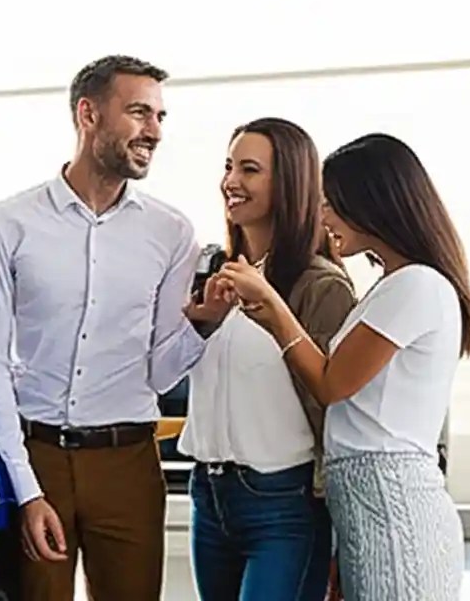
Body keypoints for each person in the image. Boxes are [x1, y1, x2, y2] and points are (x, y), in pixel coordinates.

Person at [0, 55, 217, 601]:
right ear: (88, 114)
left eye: (159, 116)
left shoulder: (172, 233)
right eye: (137, 112)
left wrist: (204, 326)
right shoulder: (8, 225)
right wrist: (26, 491)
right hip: (38, 457)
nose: (153, 131)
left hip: (129, 463)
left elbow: (159, 369)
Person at [215, 132, 470, 601]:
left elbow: (332, 385)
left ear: (374, 203)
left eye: (333, 203)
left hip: (394, 512)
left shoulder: (416, 284)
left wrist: (275, 311)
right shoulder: (394, 284)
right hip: (368, 504)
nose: (323, 217)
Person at [179, 118, 357, 601]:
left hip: (283, 502)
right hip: (209, 496)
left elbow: (336, 412)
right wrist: (201, 325)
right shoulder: (218, 279)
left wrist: (344, 539)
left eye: (250, 169)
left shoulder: (321, 285)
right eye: (229, 166)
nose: (230, 182)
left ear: (290, 184)